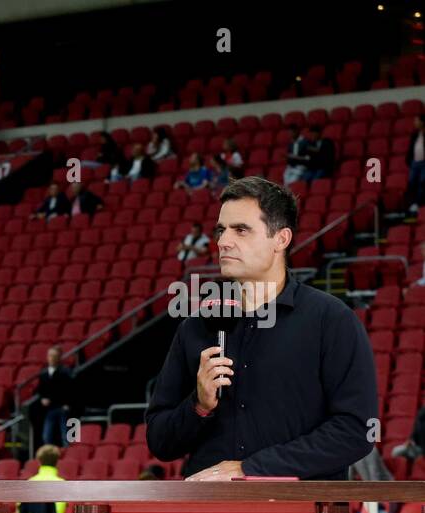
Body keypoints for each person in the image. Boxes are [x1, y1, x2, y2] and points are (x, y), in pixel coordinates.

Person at [145, 177, 376, 480]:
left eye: (241, 230)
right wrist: (198, 405)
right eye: (221, 230)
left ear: (281, 239)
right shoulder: (196, 327)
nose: (223, 241)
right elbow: (160, 441)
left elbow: (356, 431)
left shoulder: (331, 321)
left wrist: (249, 469)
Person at [37, 346, 73, 446]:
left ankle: (67, 456)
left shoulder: (66, 372)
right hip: (50, 409)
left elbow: (71, 390)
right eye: (49, 355)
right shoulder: (43, 373)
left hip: (62, 407)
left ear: (59, 358)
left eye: (54, 356)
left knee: (66, 436)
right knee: (46, 436)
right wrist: (42, 399)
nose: (51, 358)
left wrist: (67, 404)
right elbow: (40, 390)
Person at [407, 114, 425, 213]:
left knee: (423, 182)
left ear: (422, 122)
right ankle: (413, 203)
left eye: (417, 121)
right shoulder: (415, 134)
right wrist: (409, 160)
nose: (415, 123)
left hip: (424, 163)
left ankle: (419, 203)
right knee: (411, 183)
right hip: (415, 162)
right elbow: (411, 149)